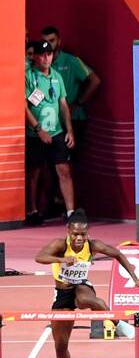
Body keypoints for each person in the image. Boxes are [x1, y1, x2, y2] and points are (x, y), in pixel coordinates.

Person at [34, 210, 139, 358]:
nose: (79, 238)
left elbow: (118, 253)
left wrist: (135, 278)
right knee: (61, 347)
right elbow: (40, 256)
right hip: (62, 295)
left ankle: (118, 323)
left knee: (92, 300)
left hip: (81, 286)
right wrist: (61, 260)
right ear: (68, 231)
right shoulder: (60, 245)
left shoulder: (92, 246)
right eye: (75, 234)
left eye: (83, 235)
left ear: (88, 234)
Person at [25, 40, 75, 228]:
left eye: (49, 54)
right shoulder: (28, 77)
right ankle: (32, 211)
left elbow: (63, 104)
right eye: (42, 54)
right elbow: (24, 108)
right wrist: (38, 130)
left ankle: (71, 212)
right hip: (35, 134)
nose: (46, 57)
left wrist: (69, 130)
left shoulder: (57, 77)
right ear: (36, 57)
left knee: (64, 171)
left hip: (57, 132)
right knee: (34, 173)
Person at [41, 27, 101, 177]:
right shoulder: (40, 62)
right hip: (49, 122)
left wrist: (79, 102)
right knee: (49, 165)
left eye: (52, 40)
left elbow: (95, 81)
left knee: (67, 164)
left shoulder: (71, 61)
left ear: (59, 41)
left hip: (73, 120)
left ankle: (64, 198)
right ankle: (54, 198)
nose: (49, 44)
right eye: (45, 41)